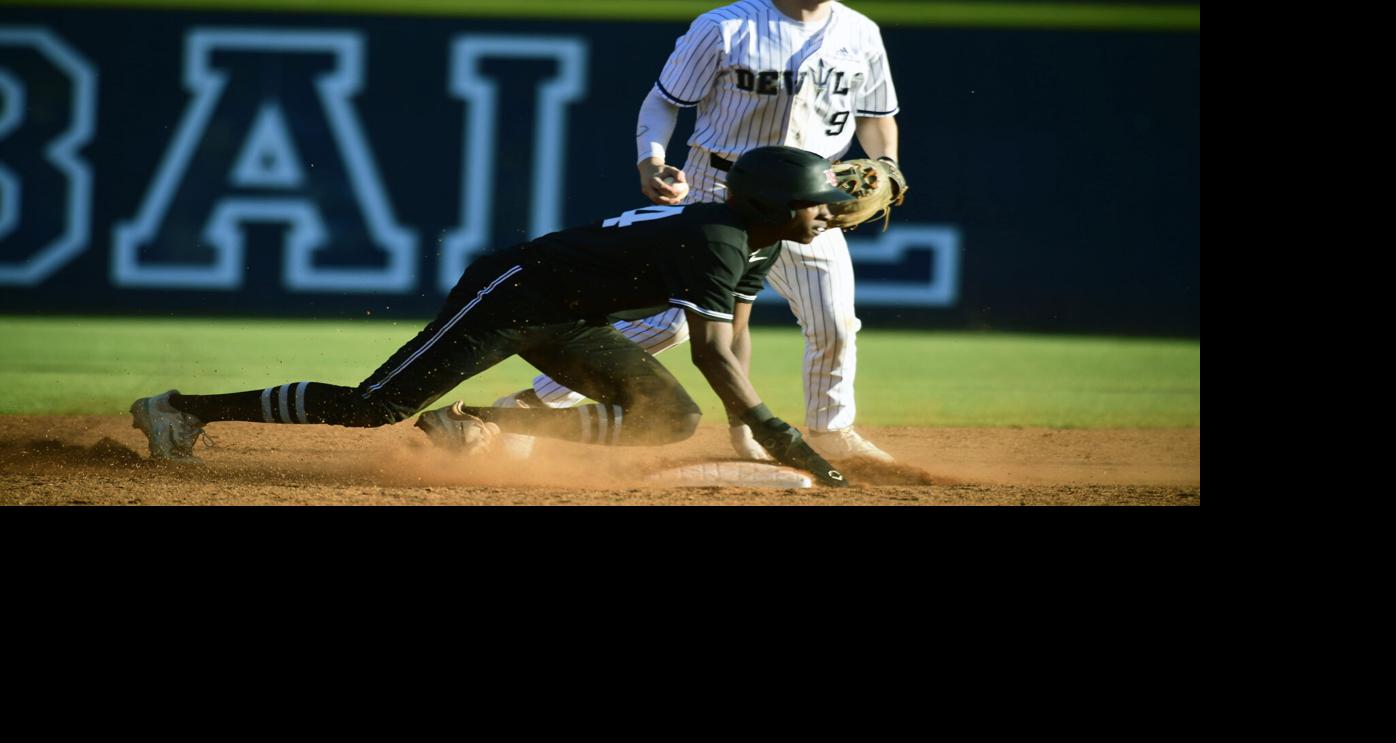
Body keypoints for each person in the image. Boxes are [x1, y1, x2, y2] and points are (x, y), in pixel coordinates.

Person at [128, 146, 856, 487]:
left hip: (574, 317)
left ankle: (480, 423)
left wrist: (751, 420)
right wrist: (773, 428)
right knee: (373, 407)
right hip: (513, 296)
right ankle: (180, 409)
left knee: (666, 417)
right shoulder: (716, 239)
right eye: (814, 200)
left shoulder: (756, 243)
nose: (831, 210)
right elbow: (709, 354)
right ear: (768, 206)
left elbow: (728, 339)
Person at [497, 0, 904, 465]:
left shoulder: (861, 31)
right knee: (671, 326)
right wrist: (651, 159)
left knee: (834, 322)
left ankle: (832, 430)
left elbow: (876, 114)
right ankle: (534, 402)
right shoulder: (725, 27)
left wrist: (887, 164)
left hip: (813, 201)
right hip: (721, 189)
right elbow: (665, 99)